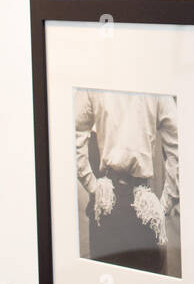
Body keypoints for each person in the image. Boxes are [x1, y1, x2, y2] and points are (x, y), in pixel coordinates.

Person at [75, 89, 179, 274]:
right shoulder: (154, 83)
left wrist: (163, 206)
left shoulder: (96, 80)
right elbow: (179, 145)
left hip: (139, 204)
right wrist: (165, 204)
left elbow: (74, 132)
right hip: (109, 201)